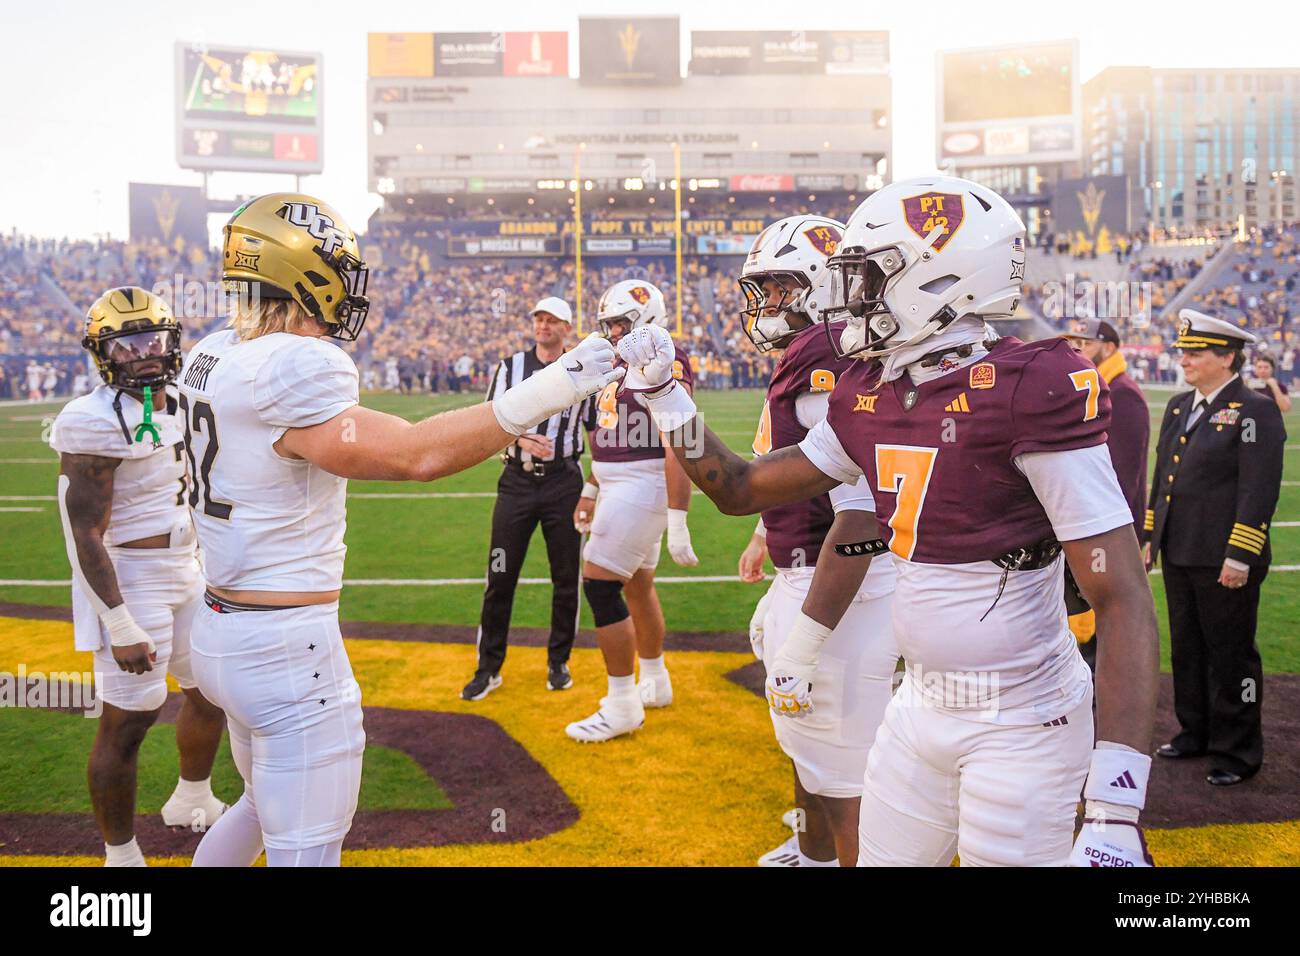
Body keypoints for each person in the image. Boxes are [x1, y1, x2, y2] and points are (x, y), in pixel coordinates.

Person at [619, 175, 1160, 867]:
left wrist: (1116, 804)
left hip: (1022, 717)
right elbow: (744, 488)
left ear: (940, 280)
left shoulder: (1033, 386)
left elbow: (1121, 594)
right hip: (918, 710)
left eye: (868, 277)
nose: (849, 299)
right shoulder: (868, 391)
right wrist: (669, 400)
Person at [180, 193, 619, 867]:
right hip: (282, 648)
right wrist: (566, 380)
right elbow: (417, 454)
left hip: (220, 629)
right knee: (306, 849)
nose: (347, 292)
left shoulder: (211, 352)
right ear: (302, 275)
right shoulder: (293, 363)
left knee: (260, 809)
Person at [734, 215, 899, 867]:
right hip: (813, 573)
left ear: (816, 282)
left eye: (775, 287)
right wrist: (768, 547)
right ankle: (815, 852)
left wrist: (805, 636)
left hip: (842, 586)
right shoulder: (818, 350)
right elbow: (797, 471)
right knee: (810, 746)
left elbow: (856, 514)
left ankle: (839, 852)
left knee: (850, 777)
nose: (765, 304)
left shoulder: (829, 354)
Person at [50, 287, 228, 867]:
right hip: (131, 574)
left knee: (214, 689)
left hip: (188, 566)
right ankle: (120, 854)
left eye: (154, 340)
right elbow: (84, 534)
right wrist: (119, 619)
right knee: (131, 719)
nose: (146, 354)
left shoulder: (185, 398)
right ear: (103, 354)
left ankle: (192, 797)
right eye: (128, 346)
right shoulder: (90, 420)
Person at [1146, 310, 1286, 786]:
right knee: (1188, 650)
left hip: (1224, 557)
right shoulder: (1181, 405)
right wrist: (1151, 538)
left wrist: (1240, 554)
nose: (1184, 359)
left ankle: (1237, 751)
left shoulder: (1255, 409)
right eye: (1183, 351)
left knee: (1231, 658)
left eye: (1195, 353)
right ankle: (1195, 732)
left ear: (1226, 358)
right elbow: (1162, 478)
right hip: (1181, 551)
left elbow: (1258, 488)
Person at [564, 279, 697, 743]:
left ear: (646, 318)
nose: (615, 331)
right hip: (620, 481)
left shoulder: (663, 358)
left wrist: (679, 517)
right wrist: (590, 487)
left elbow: (680, 439)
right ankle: (654, 681)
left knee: (601, 588)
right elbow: (609, 435)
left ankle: (621, 705)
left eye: (623, 322)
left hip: (642, 484)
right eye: (611, 323)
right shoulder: (621, 361)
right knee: (638, 585)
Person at [463, 297, 591, 700]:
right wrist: (519, 437)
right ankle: (489, 666)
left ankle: (558, 661)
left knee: (566, 578)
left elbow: (600, 429)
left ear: (567, 328)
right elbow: (488, 418)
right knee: (500, 576)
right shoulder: (510, 368)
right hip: (516, 482)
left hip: (564, 483)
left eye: (552, 320)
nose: (543, 326)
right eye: (538, 318)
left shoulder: (583, 370)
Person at [1060, 318, 1151, 666]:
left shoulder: (1123, 393)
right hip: (1084, 526)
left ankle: (1102, 709)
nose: (1077, 347)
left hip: (1103, 535)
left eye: (1086, 341)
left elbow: (1123, 479)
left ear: (1110, 348)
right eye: (1073, 340)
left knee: (1101, 632)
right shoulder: (1094, 388)